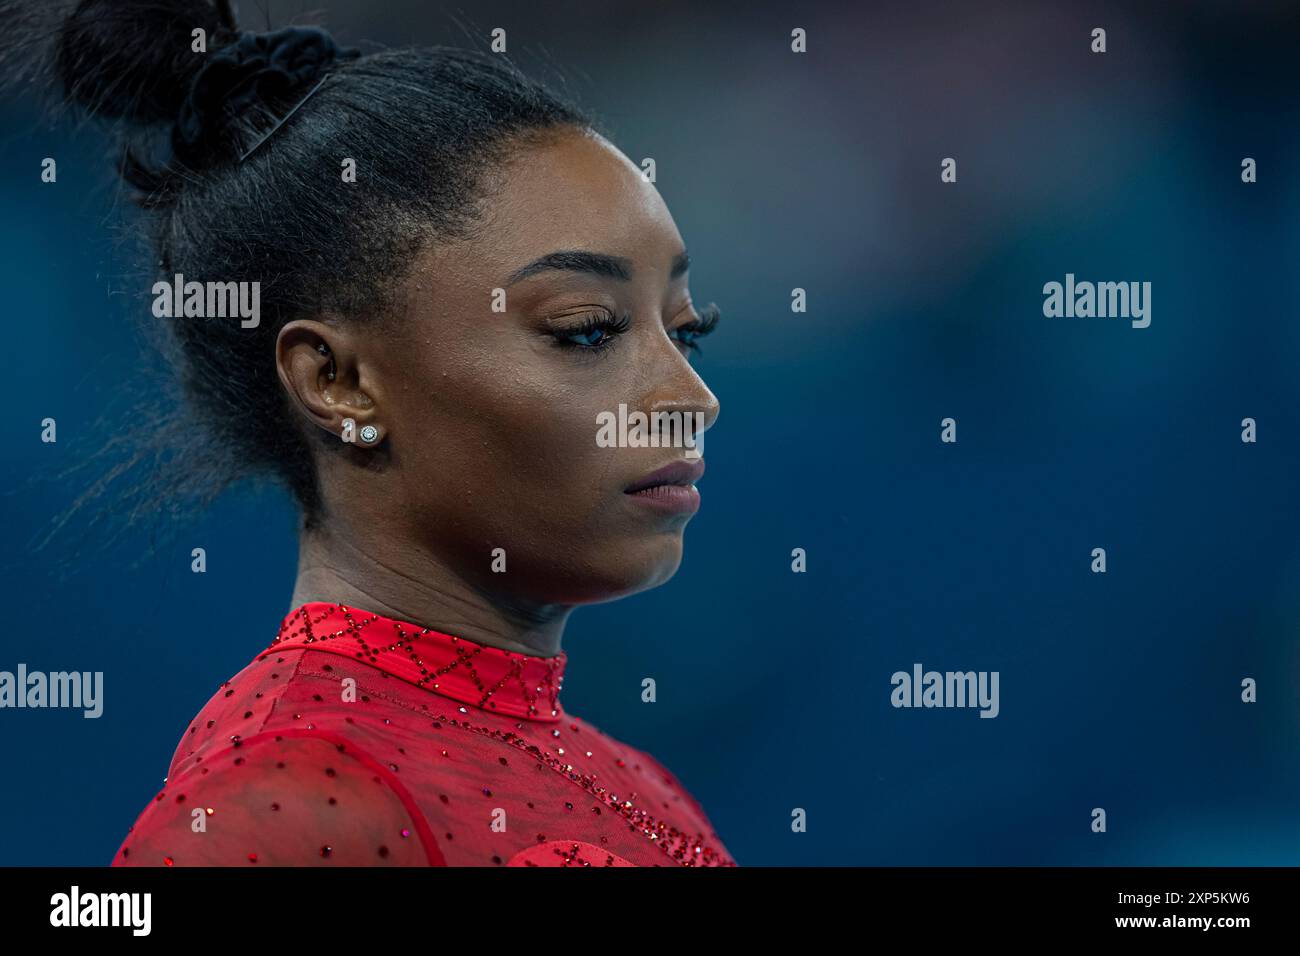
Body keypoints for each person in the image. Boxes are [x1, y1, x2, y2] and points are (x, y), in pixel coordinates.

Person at [39, 0, 731, 866]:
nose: (690, 396)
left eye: (686, 328)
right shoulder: (285, 802)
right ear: (338, 383)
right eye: (587, 329)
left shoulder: (643, 787)